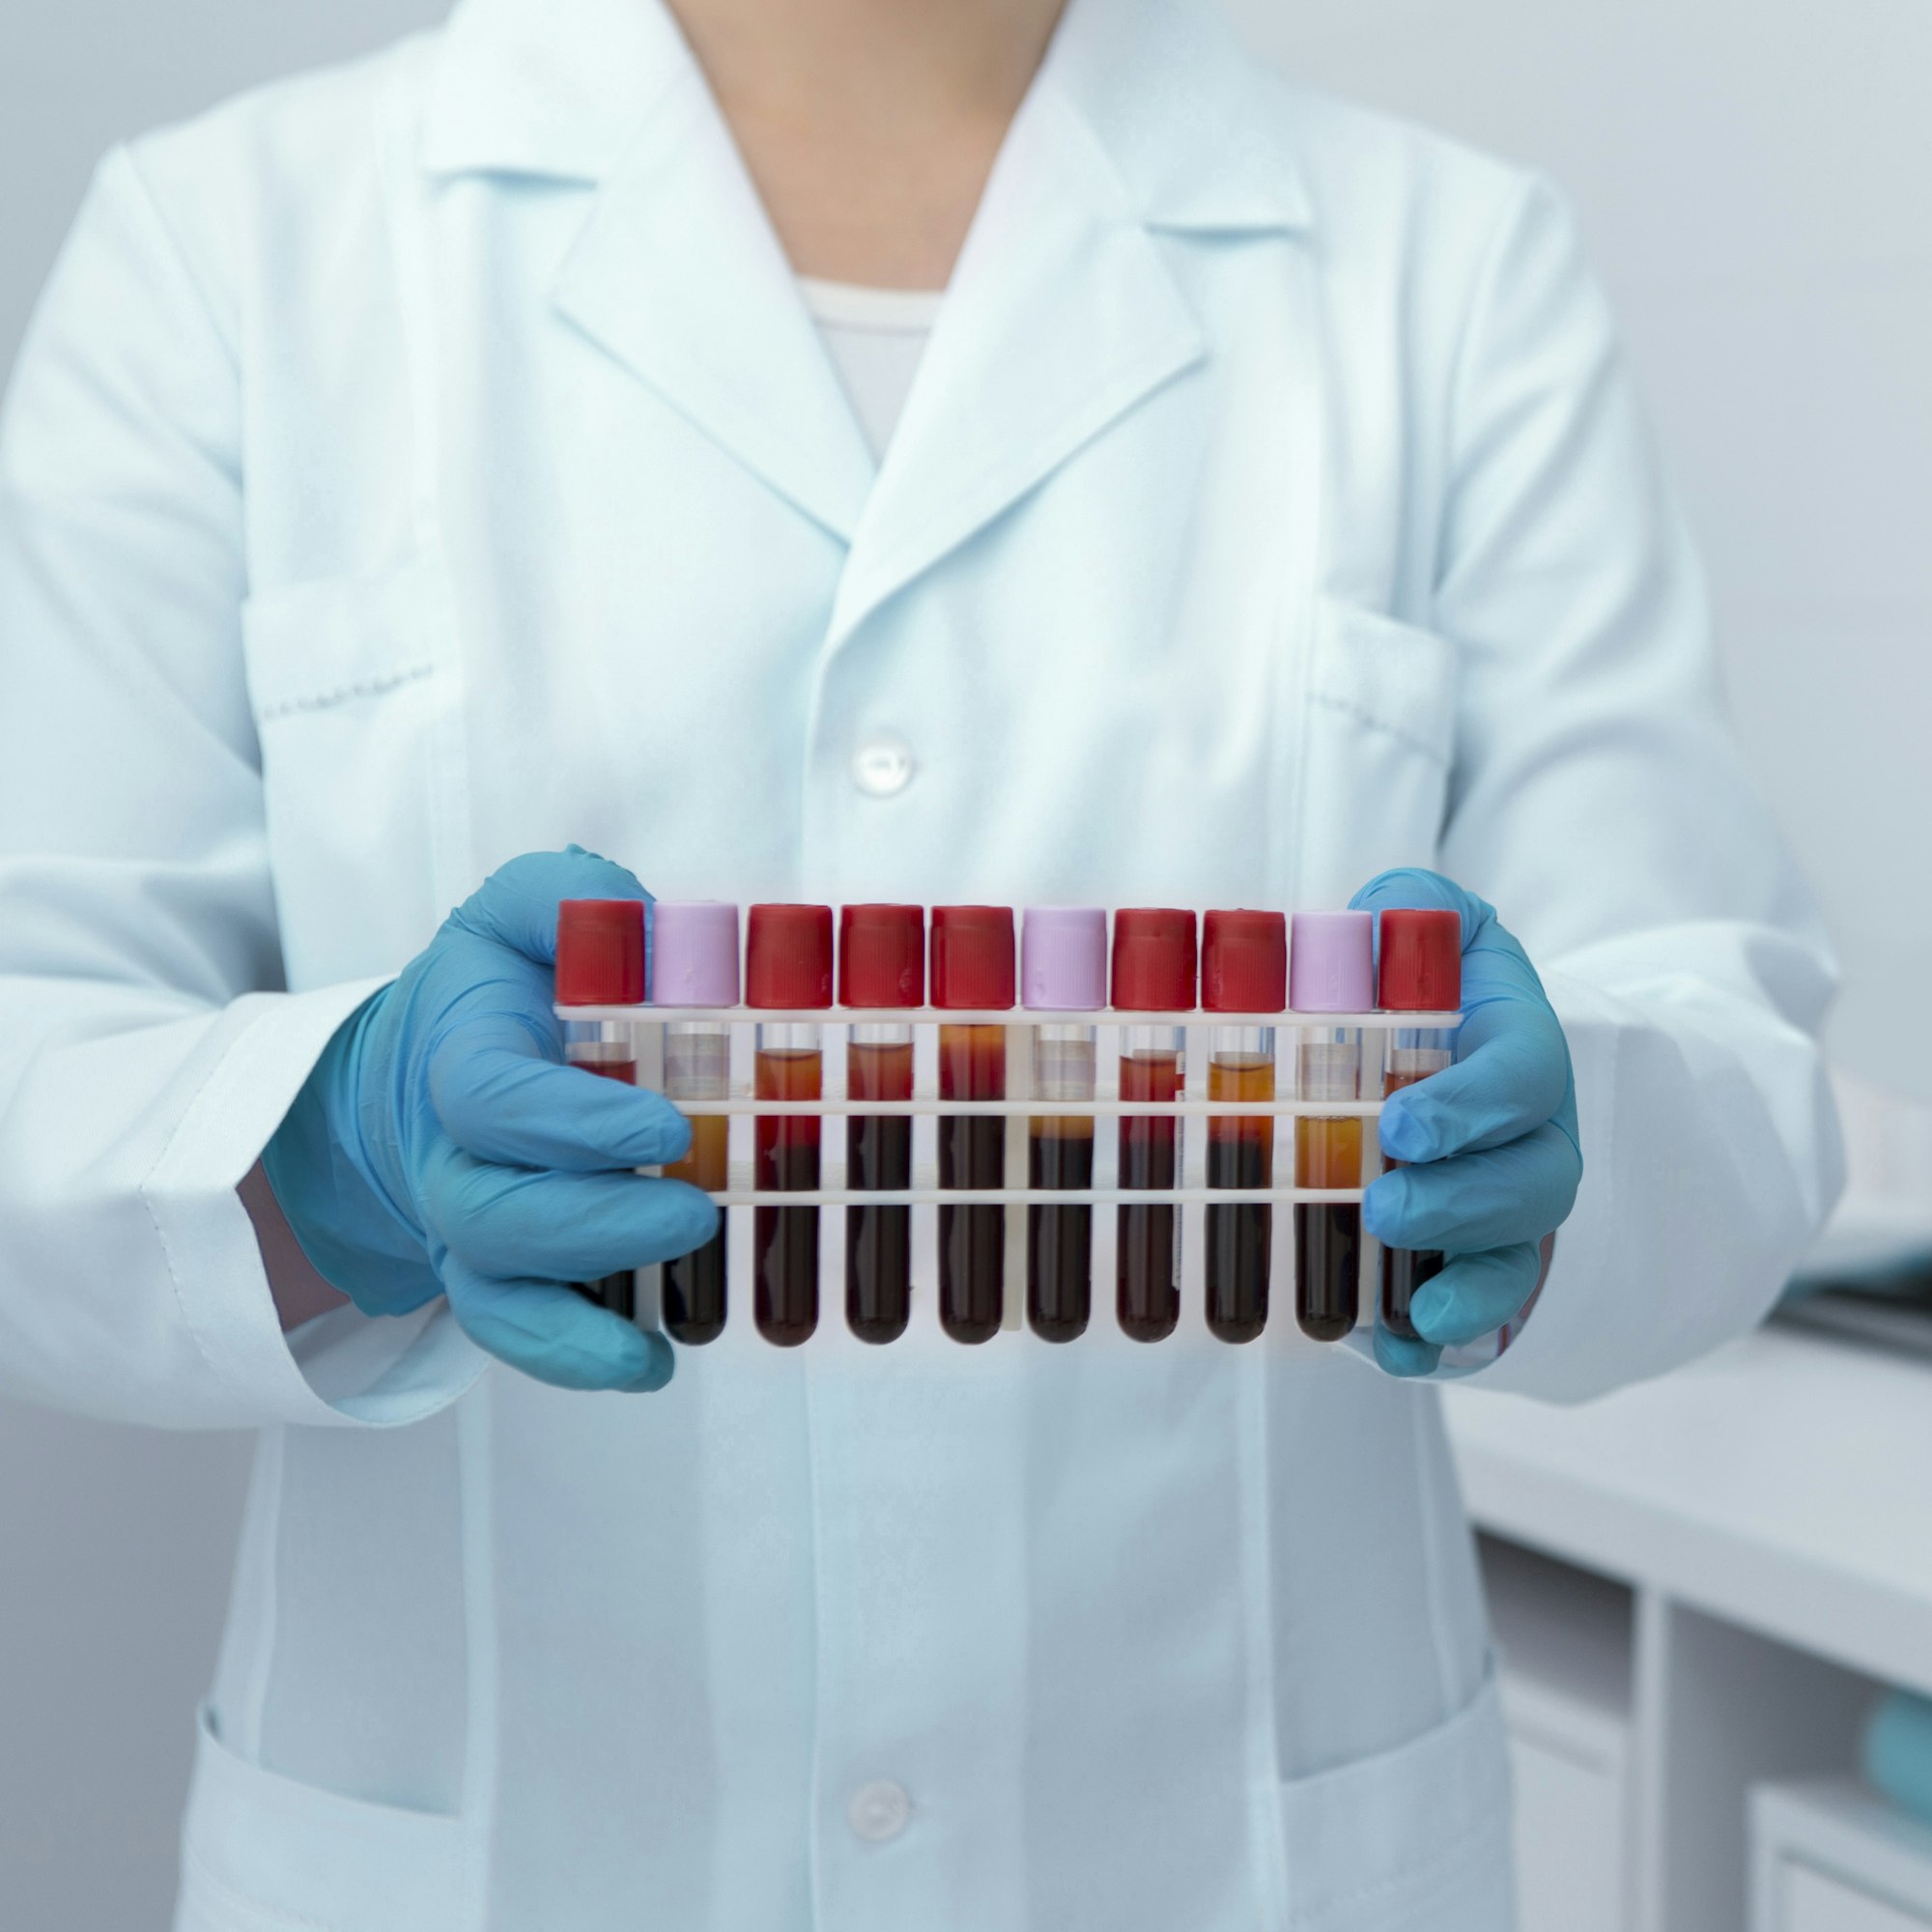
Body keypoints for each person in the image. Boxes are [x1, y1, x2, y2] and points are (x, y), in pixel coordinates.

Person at [0, 0, 1840, 1925]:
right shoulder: (233, 246)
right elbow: (36, 1050)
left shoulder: (1446, 270)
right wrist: (333, 1139)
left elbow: (1716, 1042)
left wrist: (1574, 1149)